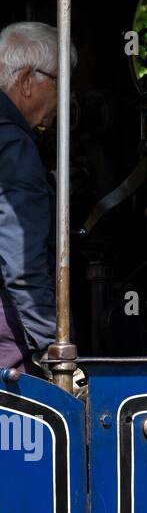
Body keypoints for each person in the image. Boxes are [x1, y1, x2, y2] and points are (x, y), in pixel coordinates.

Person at [0, 22, 75, 374]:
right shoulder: (13, 145)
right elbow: (22, 262)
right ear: (28, 80)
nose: (63, 100)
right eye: (62, 83)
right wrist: (53, 349)